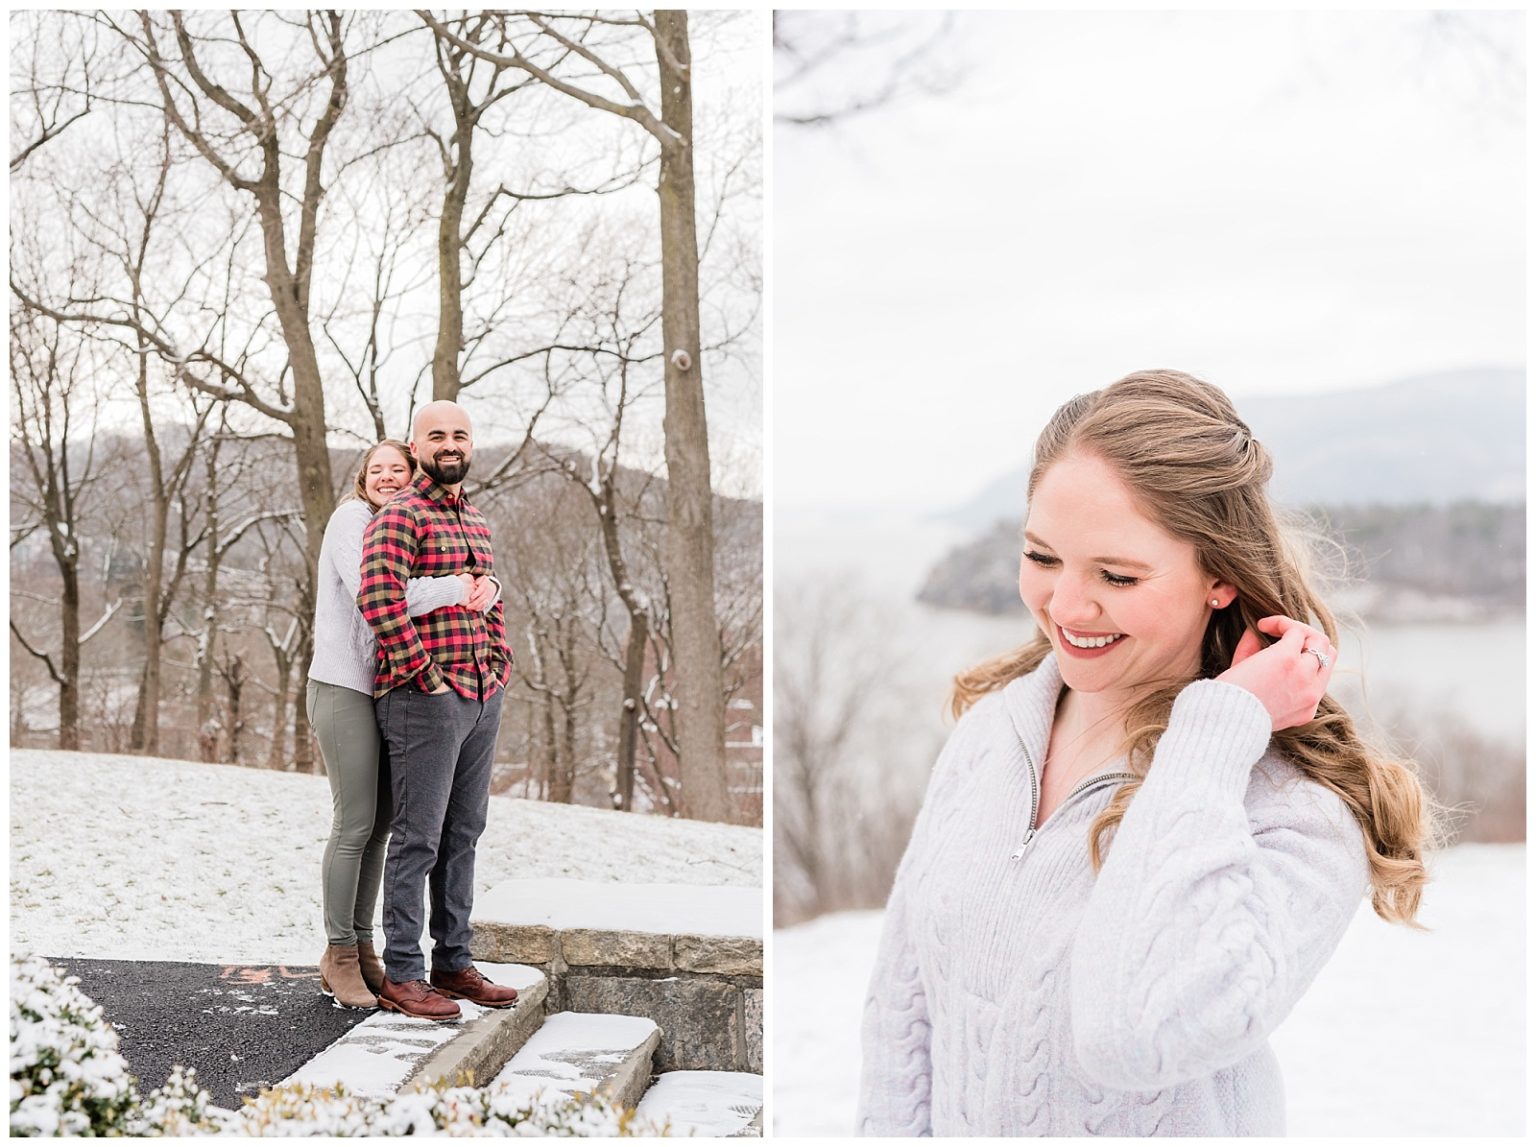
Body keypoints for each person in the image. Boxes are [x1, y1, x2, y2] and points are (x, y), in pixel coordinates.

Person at [857, 369, 1434, 1136]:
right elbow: (903, 1013)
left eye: (1117, 575)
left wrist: (1212, 738)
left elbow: (1138, 1031)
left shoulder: (1293, 810)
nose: (1065, 606)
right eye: (1042, 556)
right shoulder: (994, 732)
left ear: (1220, 577)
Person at [307, 439, 498, 1009]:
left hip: (387, 687)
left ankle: (366, 950)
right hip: (343, 686)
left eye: (399, 469)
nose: (389, 477)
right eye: (378, 470)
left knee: (383, 825)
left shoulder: (406, 520)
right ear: (362, 477)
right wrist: (457, 589)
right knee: (356, 822)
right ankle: (339, 953)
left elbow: (464, 572)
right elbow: (378, 593)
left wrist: (483, 588)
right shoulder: (352, 519)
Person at [358, 400, 519, 1020]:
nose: (450, 444)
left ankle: (453, 962)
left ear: (471, 444)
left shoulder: (475, 520)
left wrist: (499, 662)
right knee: (417, 838)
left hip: (482, 692)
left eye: (460, 434)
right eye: (436, 435)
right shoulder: (401, 515)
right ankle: (403, 974)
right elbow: (379, 596)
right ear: (417, 445)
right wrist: (421, 672)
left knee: (464, 833)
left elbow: (488, 598)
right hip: (423, 699)